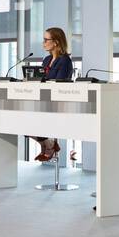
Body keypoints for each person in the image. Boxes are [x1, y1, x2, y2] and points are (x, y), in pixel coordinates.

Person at [31, 26, 73, 162]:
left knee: (33, 118)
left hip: (57, 103)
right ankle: (47, 144)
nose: (43, 43)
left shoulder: (65, 61)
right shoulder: (46, 60)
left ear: (56, 42)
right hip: (43, 100)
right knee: (24, 120)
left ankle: (49, 146)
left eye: (46, 40)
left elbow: (59, 82)